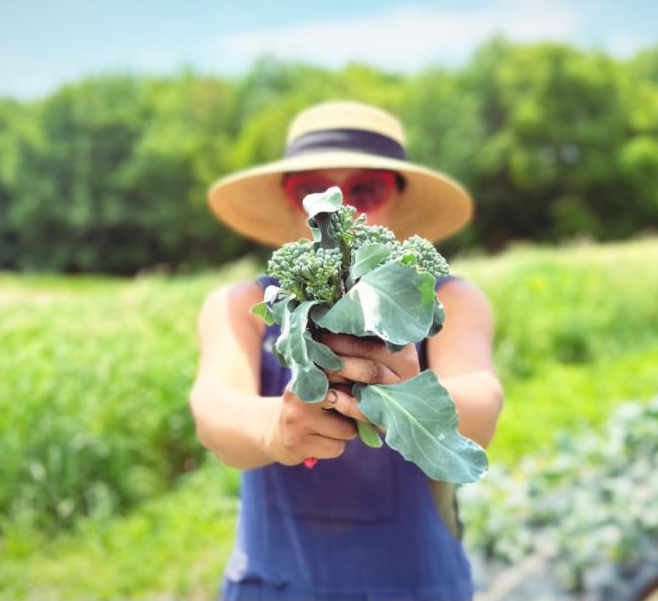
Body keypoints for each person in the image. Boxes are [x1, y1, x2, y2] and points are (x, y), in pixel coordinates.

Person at [192, 100, 503, 600]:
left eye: (367, 189)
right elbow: (213, 414)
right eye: (313, 191)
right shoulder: (244, 304)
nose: (339, 208)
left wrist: (405, 391)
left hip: (417, 584)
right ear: (292, 202)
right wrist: (277, 429)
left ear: (397, 198)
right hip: (277, 584)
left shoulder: (447, 301)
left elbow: (481, 412)